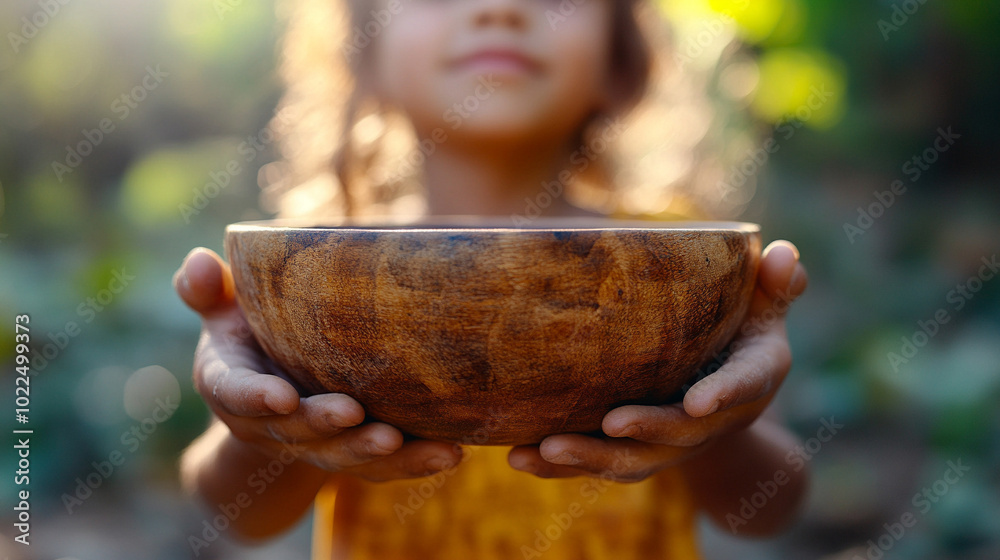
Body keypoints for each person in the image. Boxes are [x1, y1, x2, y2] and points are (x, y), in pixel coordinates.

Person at [175, 0, 810, 558]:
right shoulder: (314, 275)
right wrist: (265, 432)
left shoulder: (680, 264)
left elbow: (766, 510)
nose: (499, 8)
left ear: (619, 60)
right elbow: (240, 516)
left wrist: (712, 428)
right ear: (364, 50)